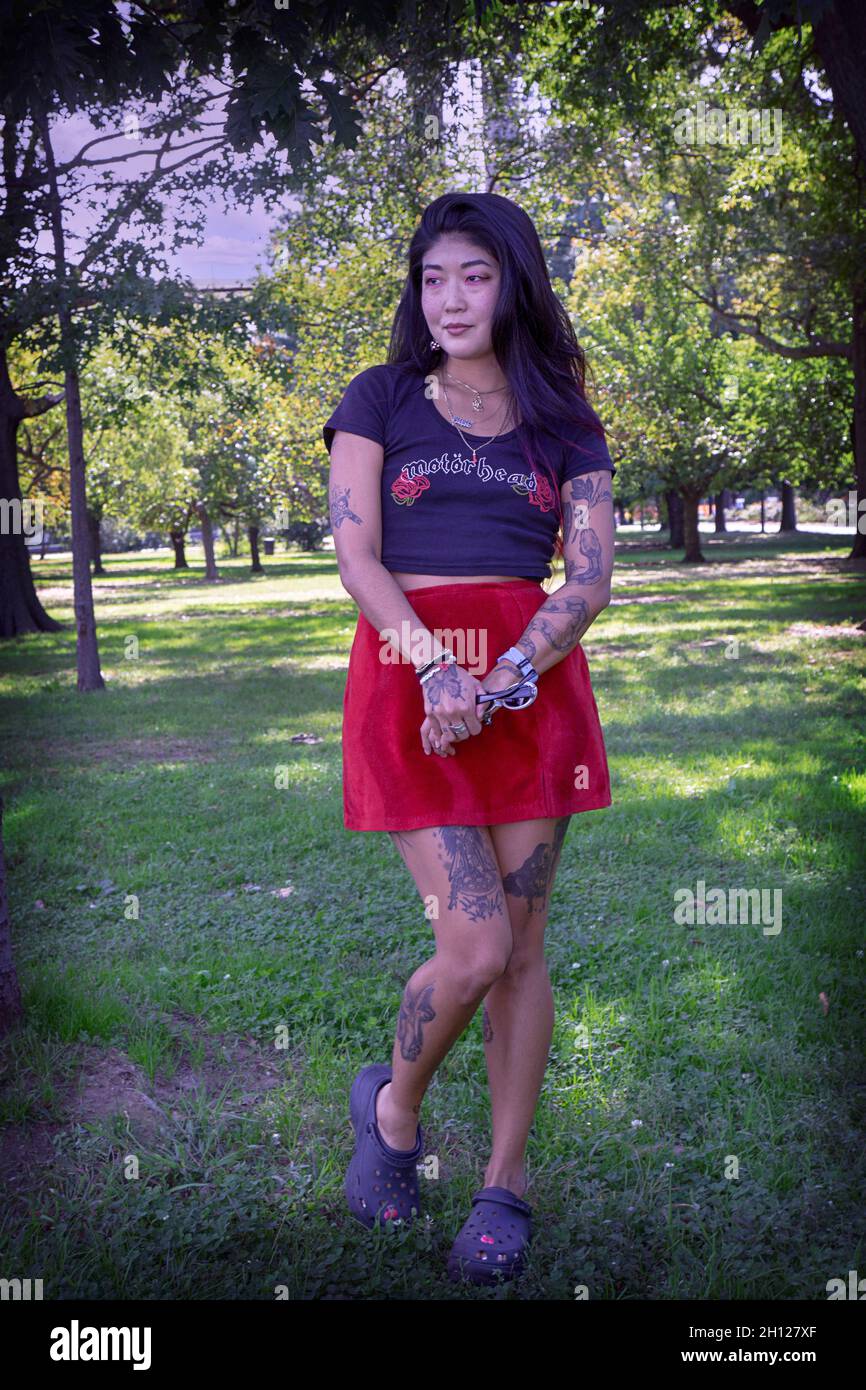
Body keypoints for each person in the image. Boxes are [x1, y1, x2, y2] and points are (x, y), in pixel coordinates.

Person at [323, 190, 616, 1286]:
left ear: (514, 283)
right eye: (432, 277)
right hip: (409, 678)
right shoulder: (380, 397)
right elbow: (357, 560)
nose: (449, 298)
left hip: (526, 682)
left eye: (474, 276)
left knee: (524, 954)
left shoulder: (562, 415)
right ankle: (392, 1109)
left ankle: (504, 1179)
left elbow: (586, 575)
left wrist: (496, 676)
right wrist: (435, 666)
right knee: (474, 944)